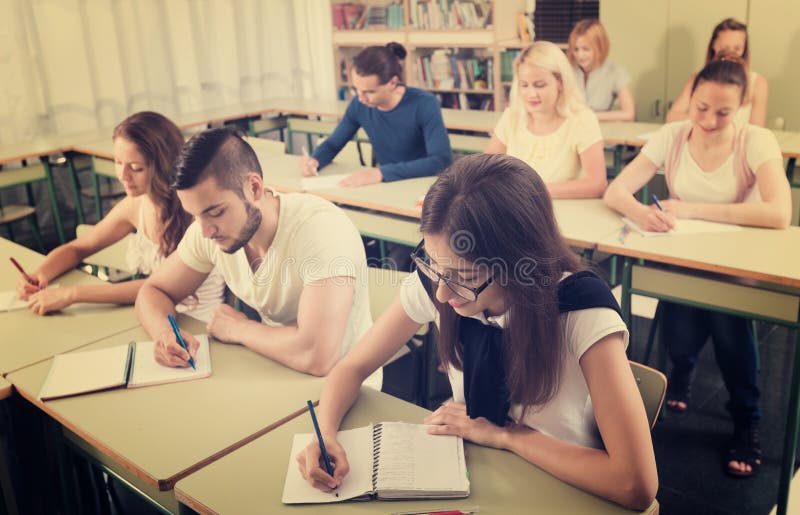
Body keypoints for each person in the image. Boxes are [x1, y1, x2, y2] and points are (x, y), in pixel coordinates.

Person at [296, 153, 658, 510]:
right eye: (434, 265)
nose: (441, 293)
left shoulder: (581, 311)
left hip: (565, 486)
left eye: (464, 278)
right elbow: (352, 367)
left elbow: (635, 483)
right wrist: (325, 432)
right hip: (477, 474)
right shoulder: (441, 281)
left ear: (520, 265)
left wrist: (505, 436)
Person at [604, 60, 791, 478]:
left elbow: (779, 212)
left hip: (732, 263)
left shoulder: (754, 140)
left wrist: (690, 208)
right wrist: (641, 212)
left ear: (741, 108)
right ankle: (682, 372)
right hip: (680, 256)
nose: (708, 120)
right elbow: (616, 190)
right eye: (701, 107)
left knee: (729, 330)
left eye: (723, 112)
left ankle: (747, 419)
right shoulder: (673, 135)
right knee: (679, 329)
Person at [135, 128, 372, 377]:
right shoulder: (209, 231)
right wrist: (164, 334)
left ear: (255, 188)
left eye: (215, 212)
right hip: (275, 368)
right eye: (194, 214)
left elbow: (317, 356)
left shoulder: (320, 229)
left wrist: (239, 329)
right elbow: (153, 292)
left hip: (346, 384)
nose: (204, 230)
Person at [16, 111, 225, 321]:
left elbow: (158, 286)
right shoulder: (136, 205)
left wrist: (72, 294)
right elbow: (78, 248)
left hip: (198, 322)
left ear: (163, 166)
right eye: (117, 162)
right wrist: (40, 274)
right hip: (157, 316)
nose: (123, 176)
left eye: (136, 168)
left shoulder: (194, 212)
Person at [298, 42, 452, 187]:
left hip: (423, 185)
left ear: (393, 83)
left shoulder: (424, 103)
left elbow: (440, 161)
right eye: (357, 90)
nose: (361, 98)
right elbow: (333, 144)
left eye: (370, 92)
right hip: (387, 185)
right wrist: (315, 160)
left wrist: (381, 173)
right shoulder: (359, 104)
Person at [484, 41, 607, 199]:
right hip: (517, 209)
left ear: (560, 82)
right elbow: (485, 170)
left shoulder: (582, 120)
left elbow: (597, 185)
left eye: (540, 85)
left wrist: (530, 192)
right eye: (524, 85)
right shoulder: (511, 116)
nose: (531, 94)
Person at [665, 18, 768, 127]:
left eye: (737, 49)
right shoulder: (697, 79)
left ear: (744, 49)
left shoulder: (758, 83)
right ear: (714, 46)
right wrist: (706, 120)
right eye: (725, 49)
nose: (730, 55)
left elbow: (757, 129)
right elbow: (672, 117)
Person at [568, 19, 635, 122]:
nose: (579, 55)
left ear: (600, 48)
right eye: (576, 49)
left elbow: (629, 114)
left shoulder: (616, 72)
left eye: (586, 49)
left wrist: (590, 116)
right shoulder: (568, 71)